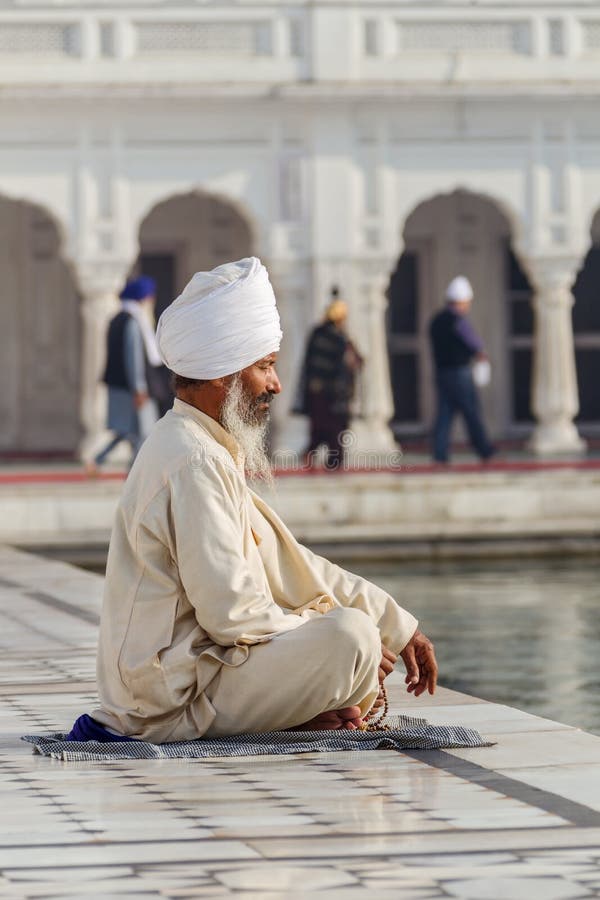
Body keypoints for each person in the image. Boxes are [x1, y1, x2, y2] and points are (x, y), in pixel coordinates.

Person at [84, 258, 436, 744]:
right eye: (265, 366)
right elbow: (232, 611)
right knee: (349, 639)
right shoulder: (193, 459)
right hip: (163, 701)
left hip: (195, 677)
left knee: (358, 638)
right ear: (219, 375)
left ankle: (292, 708)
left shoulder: (201, 446)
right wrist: (332, 627)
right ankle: (285, 707)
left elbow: (294, 564)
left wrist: (396, 624)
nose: (275, 384)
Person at [87, 276, 161, 473]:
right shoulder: (133, 322)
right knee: (144, 433)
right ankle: (135, 475)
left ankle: (98, 460)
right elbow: (133, 357)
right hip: (133, 389)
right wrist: (139, 388)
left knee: (126, 431)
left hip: (119, 387)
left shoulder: (117, 318)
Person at [429, 276, 496, 464]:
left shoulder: (436, 321)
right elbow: (475, 344)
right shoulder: (458, 321)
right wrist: (481, 355)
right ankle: (484, 449)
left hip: (442, 373)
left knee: (444, 413)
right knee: (471, 411)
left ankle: (439, 453)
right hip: (459, 373)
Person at [295, 287, 363, 469]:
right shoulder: (329, 337)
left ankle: (330, 464)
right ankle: (324, 463)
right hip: (326, 396)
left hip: (332, 396)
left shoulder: (338, 337)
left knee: (332, 433)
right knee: (327, 431)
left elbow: (356, 361)